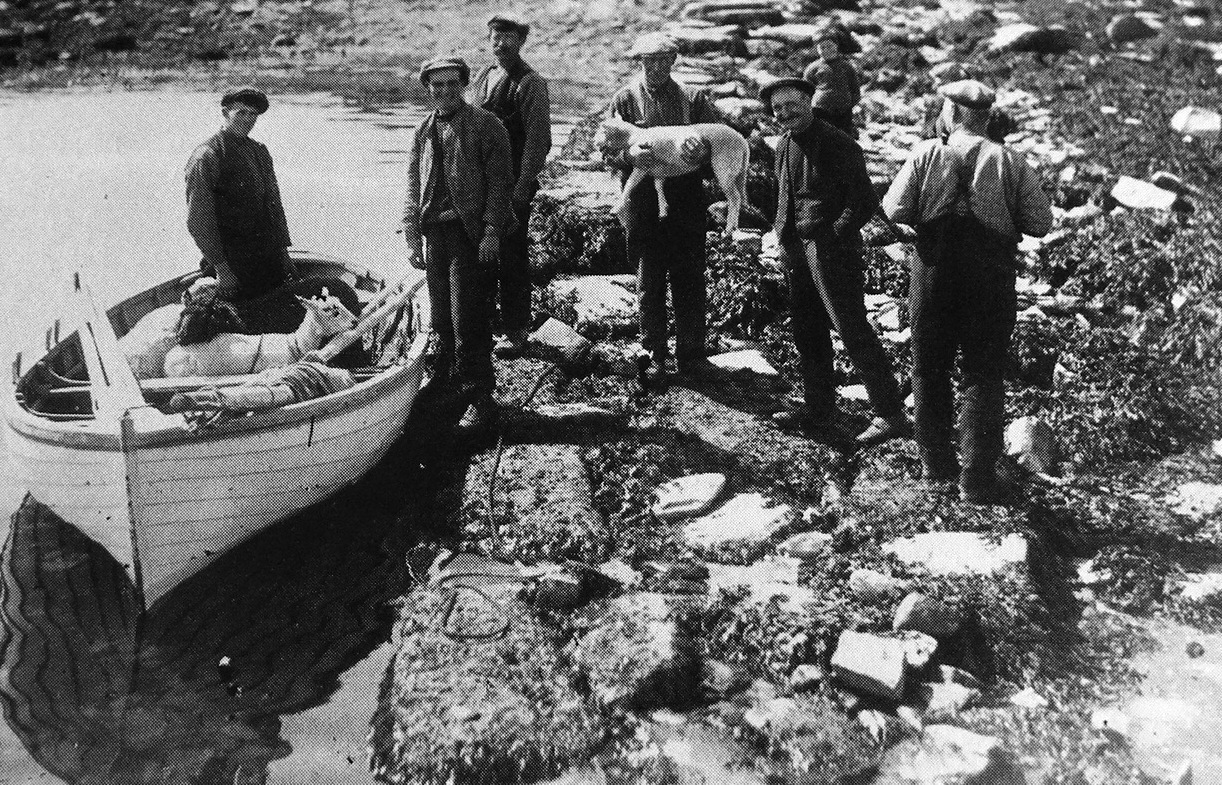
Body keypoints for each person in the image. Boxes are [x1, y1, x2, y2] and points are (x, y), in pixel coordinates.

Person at [882, 79, 1053, 503]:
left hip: (934, 269)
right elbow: (1040, 223)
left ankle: (935, 469)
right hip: (989, 273)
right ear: (985, 115)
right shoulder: (1009, 159)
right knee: (984, 370)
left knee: (928, 367)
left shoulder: (925, 152)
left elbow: (894, 209)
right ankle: (976, 479)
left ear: (952, 113)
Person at [763, 77, 910, 445]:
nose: (785, 113)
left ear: (809, 101)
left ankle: (889, 413)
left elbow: (862, 201)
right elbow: (785, 195)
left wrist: (834, 235)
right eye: (778, 108)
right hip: (797, 249)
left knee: (850, 329)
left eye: (792, 104)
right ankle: (818, 406)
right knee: (807, 330)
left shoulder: (838, 143)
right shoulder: (783, 144)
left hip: (833, 251)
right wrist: (782, 238)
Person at [403, 56, 515, 431]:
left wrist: (490, 231)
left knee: (468, 318)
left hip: (469, 235)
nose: (446, 91)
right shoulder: (423, 130)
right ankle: (448, 385)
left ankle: (480, 397)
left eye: (453, 84)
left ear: (465, 85)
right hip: (435, 235)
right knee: (440, 319)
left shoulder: (486, 126)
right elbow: (413, 187)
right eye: (438, 85)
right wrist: (411, 236)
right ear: (428, 89)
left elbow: (501, 184)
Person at [603, 32, 721, 383]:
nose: (653, 67)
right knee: (649, 278)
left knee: (689, 275)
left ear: (673, 61)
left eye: (661, 60)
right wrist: (627, 155)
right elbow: (605, 149)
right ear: (639, 62)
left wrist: (701, 154)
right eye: (647, 60)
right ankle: (654, 354)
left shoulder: (693, 98)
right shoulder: (625, 99)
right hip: (642, 200)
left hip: (686, 198)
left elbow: (717, 139)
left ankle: (693, 354)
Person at [472, 14, 552, 358]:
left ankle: (517, 330)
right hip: (481, 184)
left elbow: (538, 141)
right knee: (481, 253)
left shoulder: (530, 83)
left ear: (521, 42)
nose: (500, 44)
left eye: (508, 37)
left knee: (512, 257)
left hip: (512, 185)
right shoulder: (483, 76)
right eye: (495, 37)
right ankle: (484, 325)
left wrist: (519, 192)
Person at [186, 88, 296, 303]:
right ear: (225, 113)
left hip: (266, 256)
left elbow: (274, 208)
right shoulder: (207, 156)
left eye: (253, 115)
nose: (248, 120)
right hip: (232, 263)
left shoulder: (259, 152)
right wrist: (223, 271)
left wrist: (283, 254)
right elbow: (198, 221)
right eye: (241, 113)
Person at [801, 28, 861, 137]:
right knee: (823, 137)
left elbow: (855, 89)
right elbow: (805, 90)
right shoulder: (813, 68)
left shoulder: (846, 66)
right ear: (816, 49)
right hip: (820, 110)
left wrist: (849, 104)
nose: (826, 50)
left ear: (836, 46)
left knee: (844, 138)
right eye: (822, 47)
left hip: (844, 111)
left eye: (829, 46)